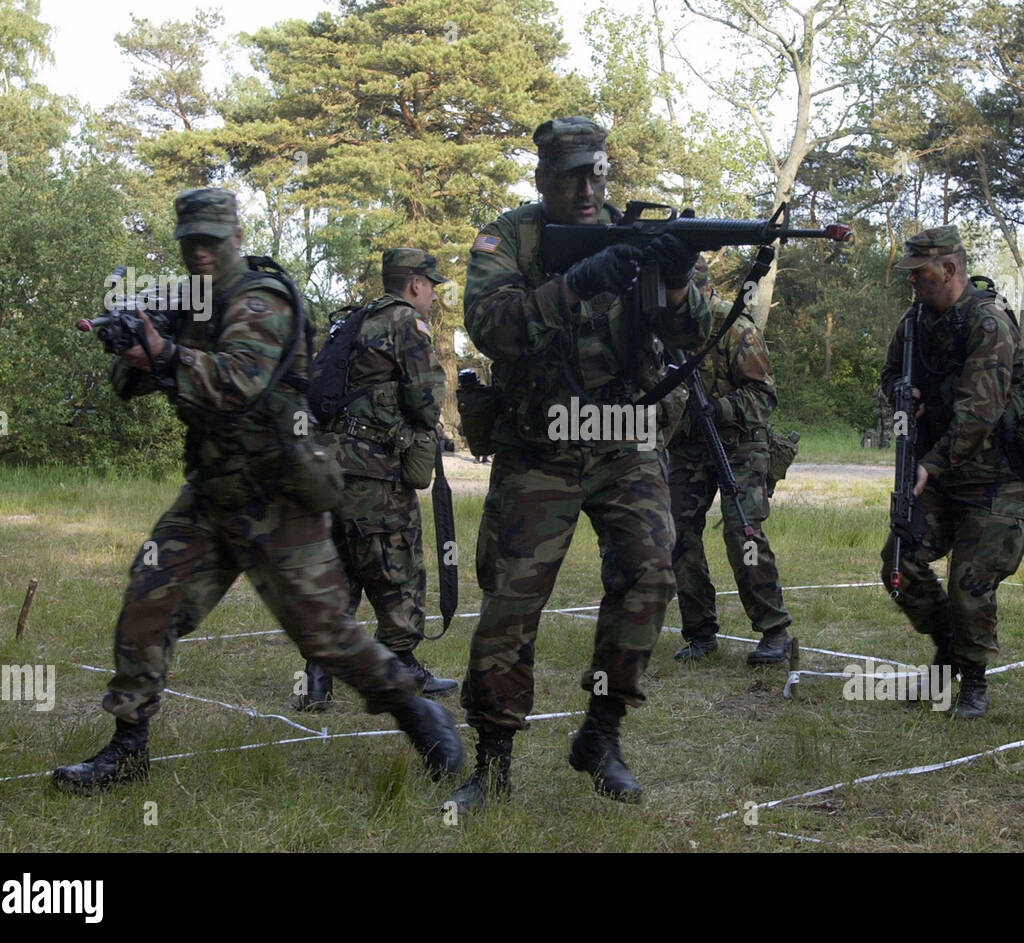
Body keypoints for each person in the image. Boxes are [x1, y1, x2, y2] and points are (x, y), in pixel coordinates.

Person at [52, 189, 461, 793]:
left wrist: (163, 352)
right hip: (213, 489)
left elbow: (238, 381)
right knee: (149, 599)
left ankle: (415, 711)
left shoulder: (261, 299)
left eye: (211, 242)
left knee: (326, 633)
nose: (200, 255)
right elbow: (137, 379)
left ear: (235, 239)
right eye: (190, 243)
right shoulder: (185, 301)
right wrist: (131, 347)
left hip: (278, 492)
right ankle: (127, 746)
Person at [446, 116, 711, 812]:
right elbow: (492, 325)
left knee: (652, 570)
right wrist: (576, 282)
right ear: (543, 179)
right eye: (572, 174)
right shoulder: (512, 238)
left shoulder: (636, 236)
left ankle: (602, 728)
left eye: (597, 170)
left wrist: (678, 279)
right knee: (511, 600)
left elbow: (694, 332)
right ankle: (494, 760)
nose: (590, 185)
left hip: (623, 439)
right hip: (540, 446)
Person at [877, 225, 1024, 719]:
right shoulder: (914, 322)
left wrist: (930, 464)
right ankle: (949, 647)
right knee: (900, 563)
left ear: (949, 270)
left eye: (919, 274)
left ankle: (973, 681)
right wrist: (906, 394)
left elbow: (979, 413)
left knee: (969, 586)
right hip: (940, 471)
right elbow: (889, 377)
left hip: (995, 475)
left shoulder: (989, 322)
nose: (913, 284)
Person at [298, 248, 457, 709]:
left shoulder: (353, 321)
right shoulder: (405, 322)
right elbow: (427, 401)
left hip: (330, 466)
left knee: (341, 569)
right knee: (396, 564)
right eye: (431, 286)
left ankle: (316, 676)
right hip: (375, 471)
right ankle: (402, 665)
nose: (433, 296)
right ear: (414, 285)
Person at [667, 259, 791, 664]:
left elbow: (764, 397)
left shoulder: (735, 327)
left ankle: (774, 630)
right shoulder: (664, 331)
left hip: (740, 443)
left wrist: (717, 410)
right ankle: (700, 632)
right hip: (688, 445)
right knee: (677, 533)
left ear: (702, 293)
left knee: (743, 531)